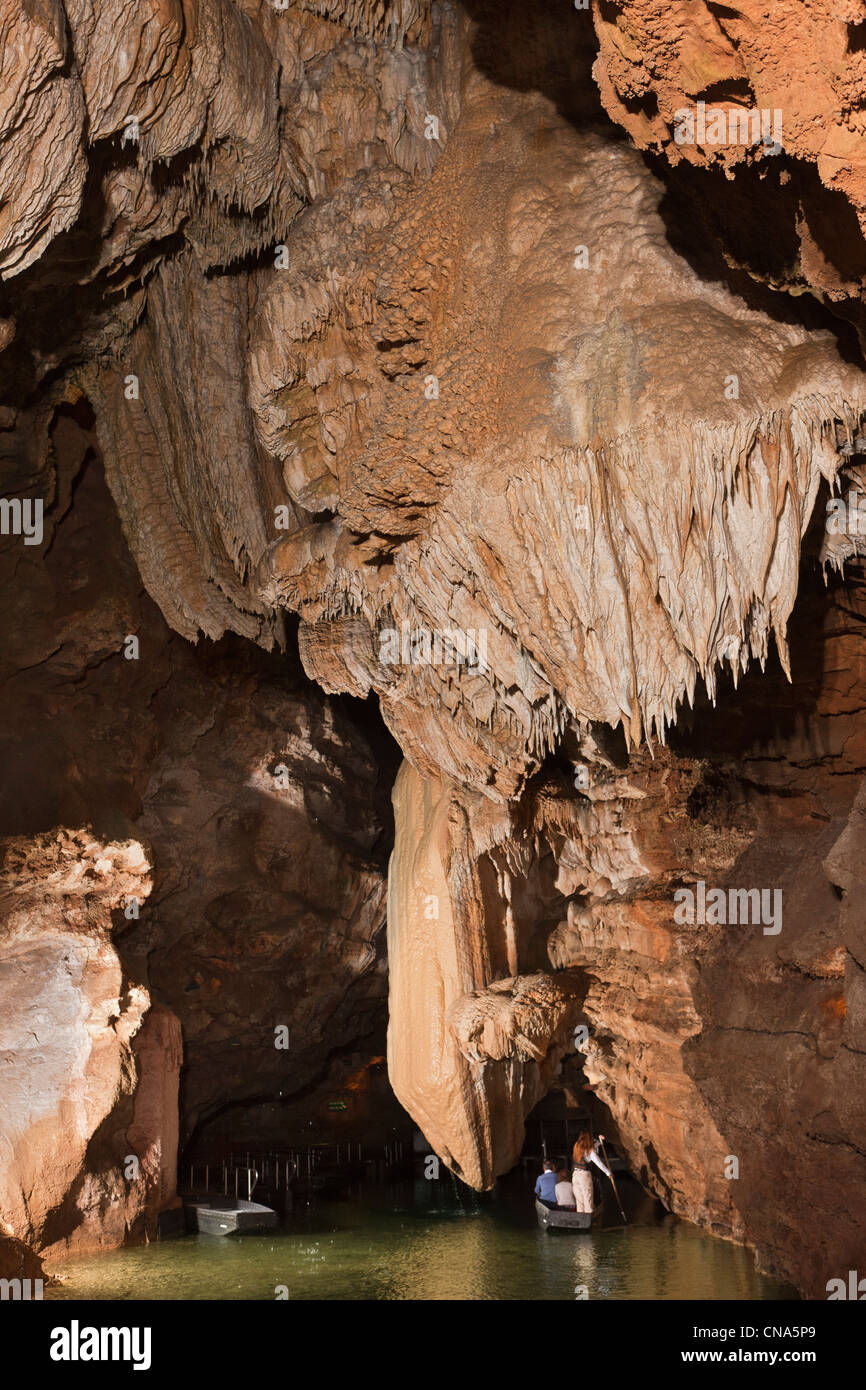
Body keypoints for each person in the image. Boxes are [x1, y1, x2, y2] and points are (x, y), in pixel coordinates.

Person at [572, 1131, 612, 1213]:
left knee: (580, 1202)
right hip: (584, 1176)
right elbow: (599, 1163)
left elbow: (594, 1145)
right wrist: (609, 1173)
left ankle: (582, 1222)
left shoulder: (577, 1146)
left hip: (575, 1175)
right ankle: (591, 1222)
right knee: (588, 1201)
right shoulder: (591, 1151)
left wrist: (600, 1141)